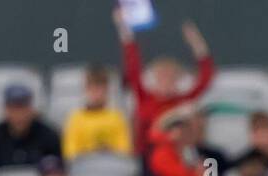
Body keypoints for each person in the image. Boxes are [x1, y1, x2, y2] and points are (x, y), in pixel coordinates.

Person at [114, 9, 214, 155]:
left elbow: (205, 77)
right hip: (147, 157)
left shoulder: (182, 100)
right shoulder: (144, 96)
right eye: (162, 77)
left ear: (178, 81)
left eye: (171, 77)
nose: (166, 81)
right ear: (154, 79)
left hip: (178, 158)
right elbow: (132, 64)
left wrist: (196, 43)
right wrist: (124, 28)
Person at [0, 85, 61, 174]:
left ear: (31, 109)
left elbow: (56, 172)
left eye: (23, 108)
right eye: (14, 109)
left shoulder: (49, 136)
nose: (19, 114)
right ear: (5, 110)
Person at [62, 65, 131, 160]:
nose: (97, 94)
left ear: (107, 91)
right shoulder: (76, 118)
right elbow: (70, 153)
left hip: (112, 166)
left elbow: (125, 150)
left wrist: (107, 151)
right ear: (86, 90)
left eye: (100, 90)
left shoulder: (117, 117)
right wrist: (91, 153)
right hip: (84, 168)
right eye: (93, 89)